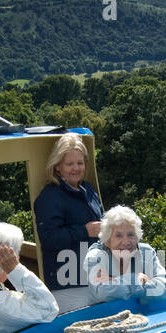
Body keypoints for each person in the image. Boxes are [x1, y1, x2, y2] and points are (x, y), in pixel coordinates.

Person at [33, 132, 103, 311]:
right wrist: (84, 231)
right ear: (57, 166)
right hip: (67, 284)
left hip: (94, 278)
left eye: (80, 163)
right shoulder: (49, 197)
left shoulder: (88, 189)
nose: (76, 168)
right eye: (69, 163)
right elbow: (48, 238)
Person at [85, 205, 166, 306]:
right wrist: (138, 280)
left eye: (131, 235)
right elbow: (103, 291)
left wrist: (117, 282)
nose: (126, 242)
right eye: (118, 235)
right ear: (107, 240)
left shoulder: (146, 252)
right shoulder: (95, 256)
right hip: (102, 316)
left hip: (141, 315)